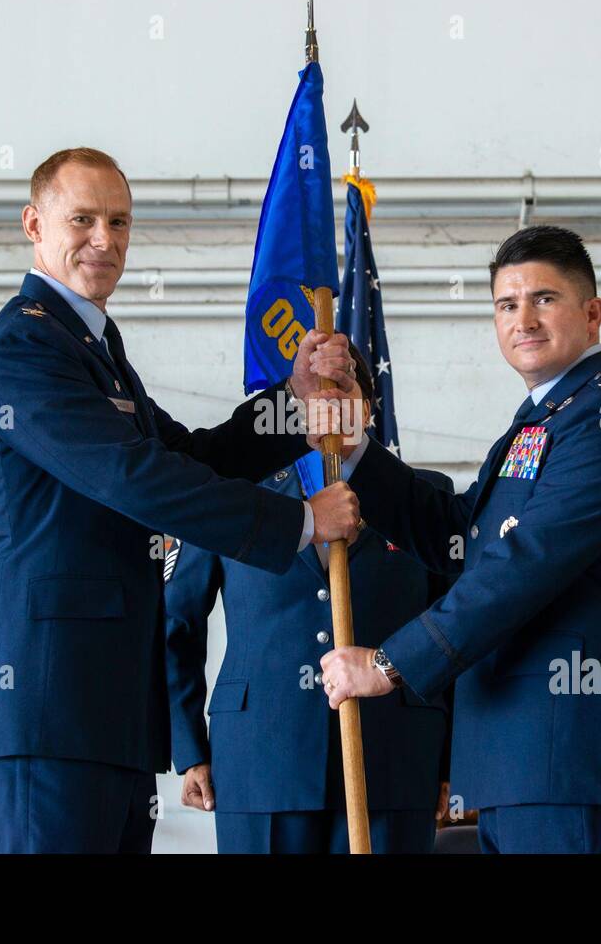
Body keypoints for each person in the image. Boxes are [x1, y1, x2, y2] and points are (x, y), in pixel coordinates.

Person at [0, 147, 361, 853]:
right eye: (81, 219)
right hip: (50, 705)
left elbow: (188, 455)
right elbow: (133, 477)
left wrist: (292, 407)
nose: (104, 240)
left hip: (105, 711)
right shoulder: (23, 345)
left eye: (119, 221)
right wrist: (297, 520)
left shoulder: (92, 344)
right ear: (33, 222)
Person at [313, 225, 601, 853]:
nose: (524, 319)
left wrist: (388, 664)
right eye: (506, 304)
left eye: (544, 299)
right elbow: (459, 538)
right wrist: (355, 445)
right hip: (519, 761)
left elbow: (521, 567)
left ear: (593, 314)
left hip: (574, 758)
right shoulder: (544, 419)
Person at [165, 346, 454, 853]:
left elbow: (458, 635)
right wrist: (190, 750)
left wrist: (453, 763)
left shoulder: (426, 497)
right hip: (260, 757)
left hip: (396, 758)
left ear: (368, 408)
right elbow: (176, 623)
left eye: (343, 391)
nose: (328, 405)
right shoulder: (231, 493)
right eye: (314, 395)